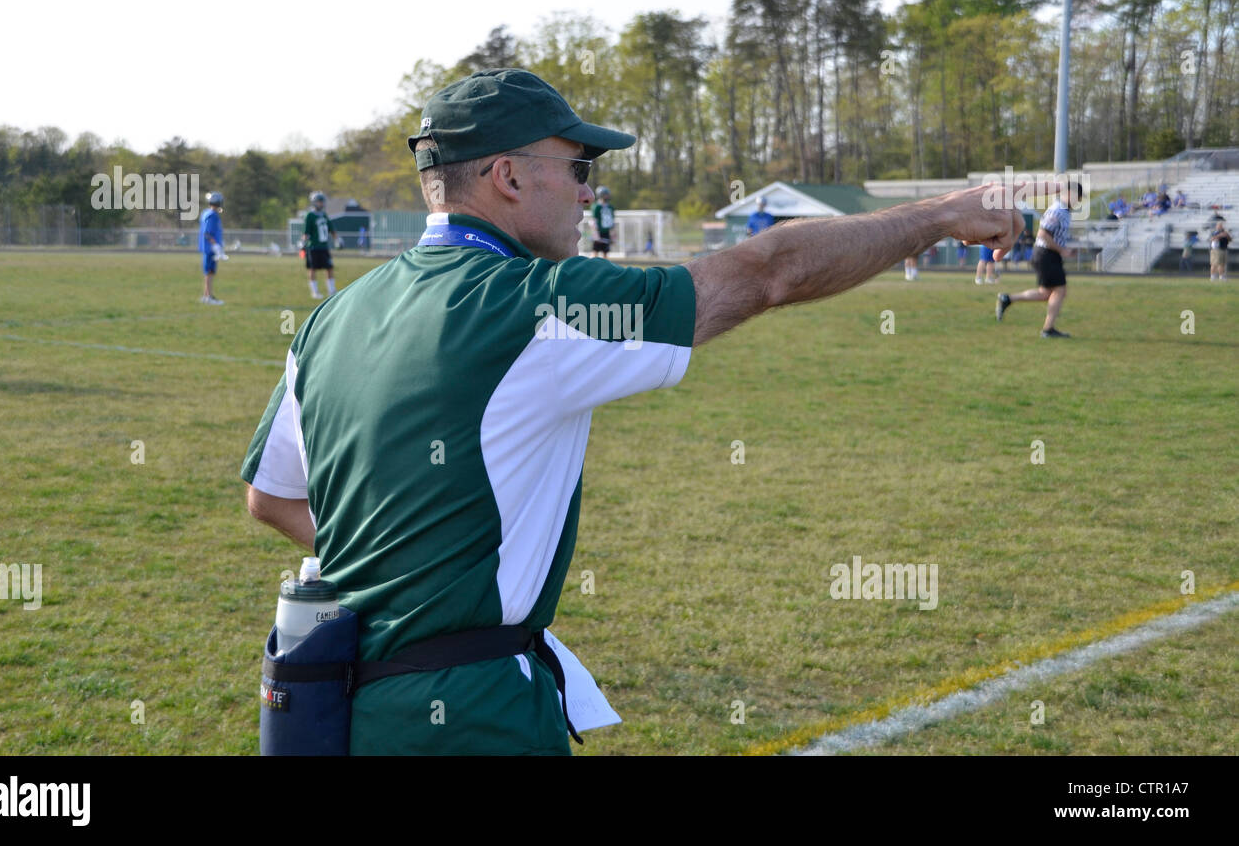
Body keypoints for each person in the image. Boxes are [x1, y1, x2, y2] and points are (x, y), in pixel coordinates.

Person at [240, 67, 1021, 756]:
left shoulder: (329, 319)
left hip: (348, 703)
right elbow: (770, 272)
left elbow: (270, 497)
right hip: (476, 714)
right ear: (507, 176)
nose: (588, 191)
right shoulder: (537, 303)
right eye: (578, 167)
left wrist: (408, 565)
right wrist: (942, 214)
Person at [996, 177, 1080, 338]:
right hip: (1046, 254)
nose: (1078, 202)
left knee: (1046, 293)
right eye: (1078, 197)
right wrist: (1062, 250)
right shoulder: (1058, 210)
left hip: (1047, 254)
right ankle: (1048, 329)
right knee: (1060, 290)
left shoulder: (1063, 211)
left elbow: (1053, 234)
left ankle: (1007, 299)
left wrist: (1066, 248)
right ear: (1070, 193)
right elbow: (1043, 234)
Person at [303, 191, 336, 298]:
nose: (321, 203)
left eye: (322, 201)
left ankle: (332, 290)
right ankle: (315, 292)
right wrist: (303, 243)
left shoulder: (324, 215)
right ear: (314, 202)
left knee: (329, 267)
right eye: (319, 201)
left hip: (324, 247)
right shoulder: (310, 215)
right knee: (312, 269)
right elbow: (306, 232)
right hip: (313, 247)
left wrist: (337, 239)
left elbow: (331, 229)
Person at [198, 191, 226, 305]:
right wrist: (215, 245)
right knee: (210, 272)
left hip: (208, 248)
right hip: (210, 248)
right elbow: (207, 233)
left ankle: (206, 295)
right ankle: (209, 296)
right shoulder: (212, 215)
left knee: (208, 272)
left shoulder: (206, 213)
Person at [589, 185, 615, 258]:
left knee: (606, 252)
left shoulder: (610, 207)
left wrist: (613, 235)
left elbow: (611, 222)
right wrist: (595, 233)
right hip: (598, 232)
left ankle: (604, 265)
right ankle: (591, 264)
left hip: (606, 232)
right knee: (595, 251)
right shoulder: (597, 207)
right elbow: (593, 221)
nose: (607, 196)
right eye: (605, 194)